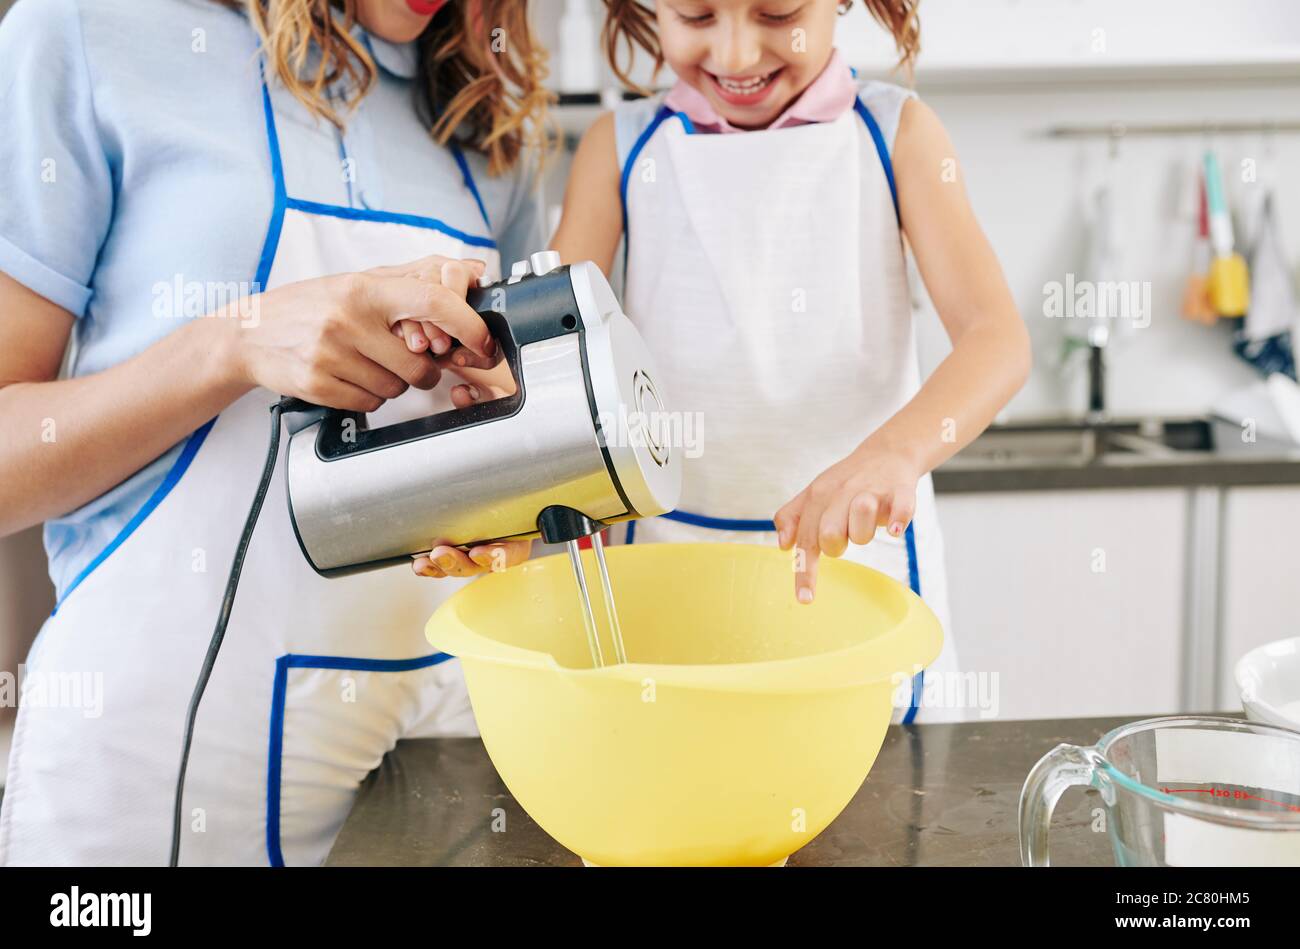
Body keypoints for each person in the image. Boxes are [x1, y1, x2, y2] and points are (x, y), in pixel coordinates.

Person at [0, 0, 546, 865]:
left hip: (431, 754)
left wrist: (505, 466)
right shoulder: (85, 31)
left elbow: (523, 482)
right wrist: (235, 341)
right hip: (153, 776)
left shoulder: (483, 115)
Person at [543, 0, 1031, 722]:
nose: (737, 55)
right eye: (695, 15)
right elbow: (552, 363)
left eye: (777, 13)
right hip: (669, 582)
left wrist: (894, 455)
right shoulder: (618, 148)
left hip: (859, 579)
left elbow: (997, 338)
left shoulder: (899, 134)